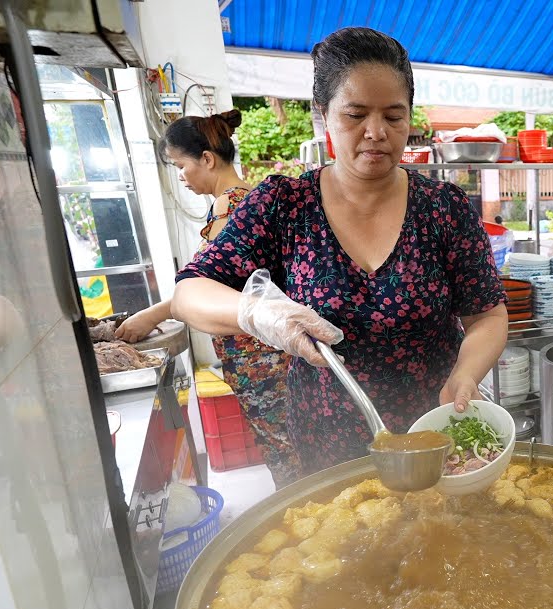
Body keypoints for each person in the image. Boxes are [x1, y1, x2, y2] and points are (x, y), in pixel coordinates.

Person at [172, 27, 508, 477]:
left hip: (435, 426)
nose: (376, 133)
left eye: (394, 116)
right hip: (328, 437)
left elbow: (487, 314)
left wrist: (467, 374)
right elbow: (189, 294)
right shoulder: (284, 205)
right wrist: (258, 313)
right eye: (355, 115)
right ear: (324, 115)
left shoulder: (444, 208)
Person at [116, 111, 304, 486]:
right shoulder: (245, 200)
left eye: (181, 165)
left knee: (286, 452)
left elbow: (214, 286)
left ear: (207, 158)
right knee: (291, 445)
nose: (181, 176)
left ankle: (308, 522)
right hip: (267, 353)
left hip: (260, 357)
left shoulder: (231, 206)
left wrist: (153, 314)